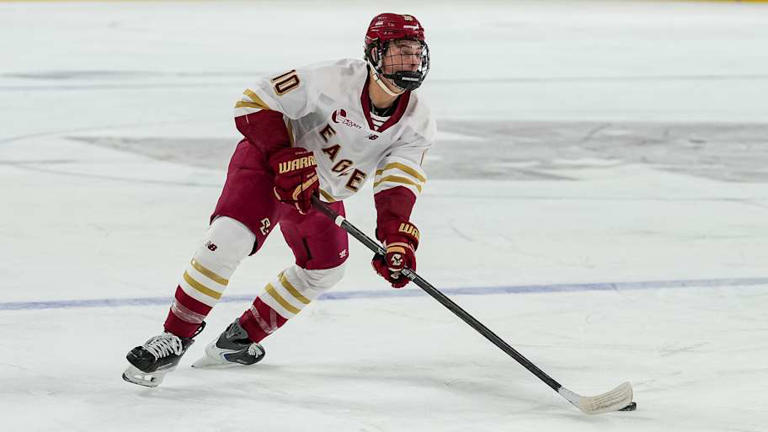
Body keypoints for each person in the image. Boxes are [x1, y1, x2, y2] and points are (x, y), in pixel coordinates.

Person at [122, 12, 436, 387]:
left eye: (415, 53)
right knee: (228, 239)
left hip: (319, 193)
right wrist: (282, 153)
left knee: (325, 269)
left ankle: (240, 339)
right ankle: (175, 335)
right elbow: (254, 102)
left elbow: (397, 183)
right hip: (269, 170)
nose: (410, 62)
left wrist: (394, 237)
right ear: (373, 53)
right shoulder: (331, 79)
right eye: (399, 53)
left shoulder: (417, 121)